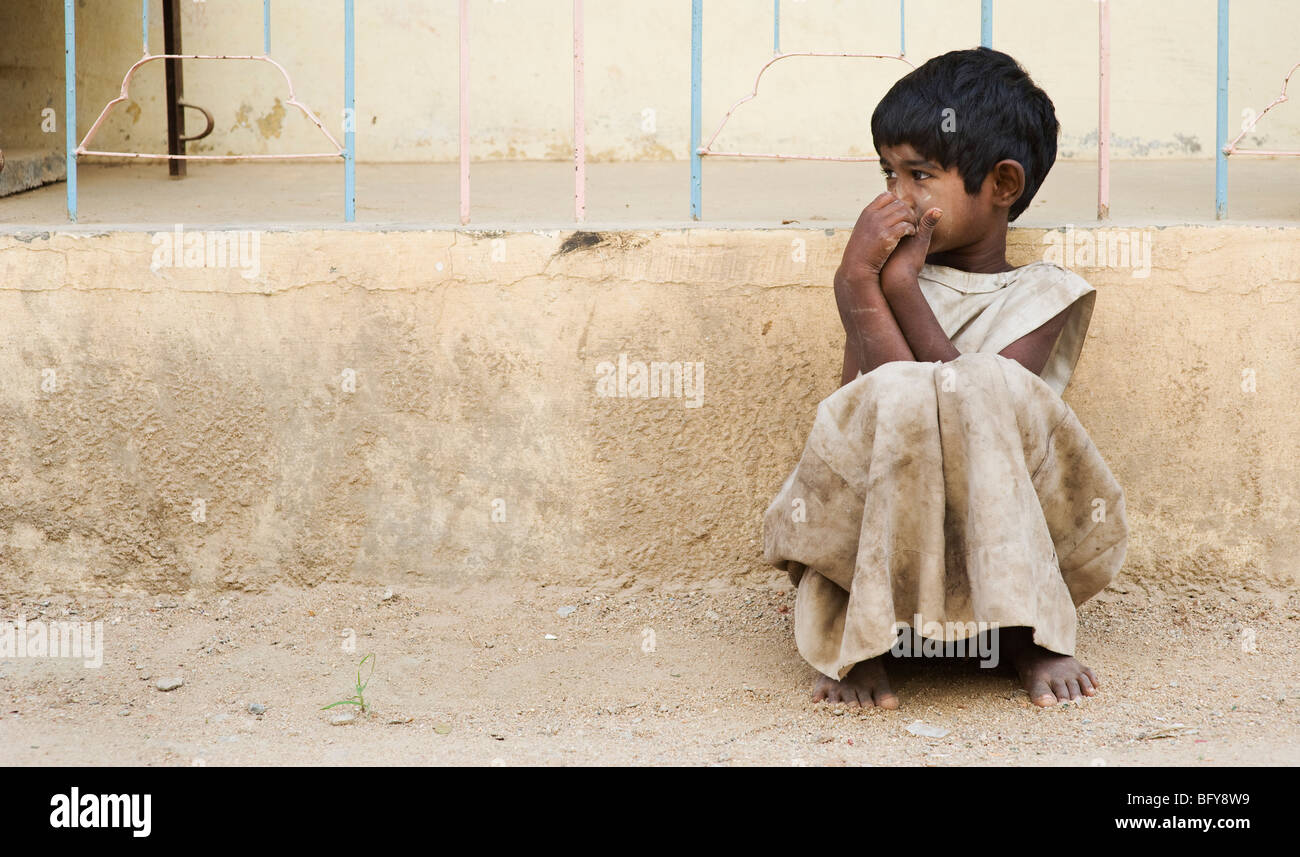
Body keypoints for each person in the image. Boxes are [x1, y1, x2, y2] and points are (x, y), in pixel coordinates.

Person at [763, 47, 1128, 709]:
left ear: (1004, 185)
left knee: (982, 384)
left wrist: (898, 287)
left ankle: (1027, 635)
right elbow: (863, 402)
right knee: (893, 394)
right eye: (887, 172)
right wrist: (857, 285)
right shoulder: (875, 280)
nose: (895, 196)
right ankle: (865, 639)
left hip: (994, 521)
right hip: (889, 502)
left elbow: (975, 396)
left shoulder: (1044, 294)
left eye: (919, 174)